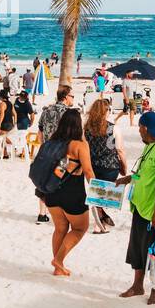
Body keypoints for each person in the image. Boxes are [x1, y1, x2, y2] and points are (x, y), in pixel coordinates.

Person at [117, 111, 155, 305]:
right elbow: (142, 174)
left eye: (140, 128)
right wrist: (127, 179)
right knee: (138, 249)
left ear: (145, 128)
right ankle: (137, 286)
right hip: (141, 208)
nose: (139, 132)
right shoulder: (150, 146)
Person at [37, 109, 93, 277]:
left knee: (60, 228)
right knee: (80, 228)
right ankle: (59, 260)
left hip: (52, 192)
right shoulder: (79, 145)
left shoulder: (53, 142)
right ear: (78, 126)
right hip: (73, 194)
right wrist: (100, 193)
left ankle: (58, 268)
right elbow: (89, 172)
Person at [84, 98, 125, 234]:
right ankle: (98, 223)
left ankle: (100, 214)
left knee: (97, 191)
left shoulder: (87, 128)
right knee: (104, 193)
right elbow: (119, 149)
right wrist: (124, 165)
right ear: (105, 111)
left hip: (92, 165)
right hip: (110, 166)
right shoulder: (113, 128)